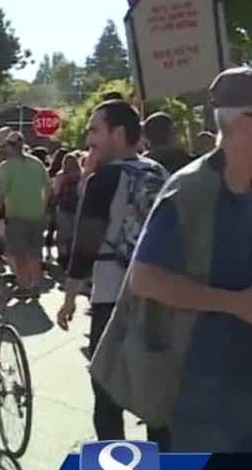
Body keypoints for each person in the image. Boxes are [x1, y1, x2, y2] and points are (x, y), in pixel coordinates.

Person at [91, 67, 252, 470]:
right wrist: (234, 304)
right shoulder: (192, 190)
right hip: (205, 393)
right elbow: (147, 279)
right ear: (244, 125)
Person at [56, 100, 171, 447]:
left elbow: (86, 246)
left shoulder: (104, 179)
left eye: (95, 130)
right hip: (161, 297)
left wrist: (70, 297)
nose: (88, 138)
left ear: (118, 133)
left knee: (106, 394)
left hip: (112, 298)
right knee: (156, 396)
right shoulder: (160, 174)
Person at [0, 132, 51, 295]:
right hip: (36, 215)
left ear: (10, 147)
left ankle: (24, 284)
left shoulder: (6, 167)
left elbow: (0, 194)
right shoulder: (36, 163)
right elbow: (47, 187)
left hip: (16, 215)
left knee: (19, 253)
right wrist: (42, 205)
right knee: (35, 253)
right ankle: (36, 283)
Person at [51, 152, 83, 268]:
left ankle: (62, 256)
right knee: (73, 234)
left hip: (63, 207)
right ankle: (71, 256)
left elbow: (56, 191)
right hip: (77, 208)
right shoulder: (81, 175)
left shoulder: (60, 175)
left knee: (62, 234)